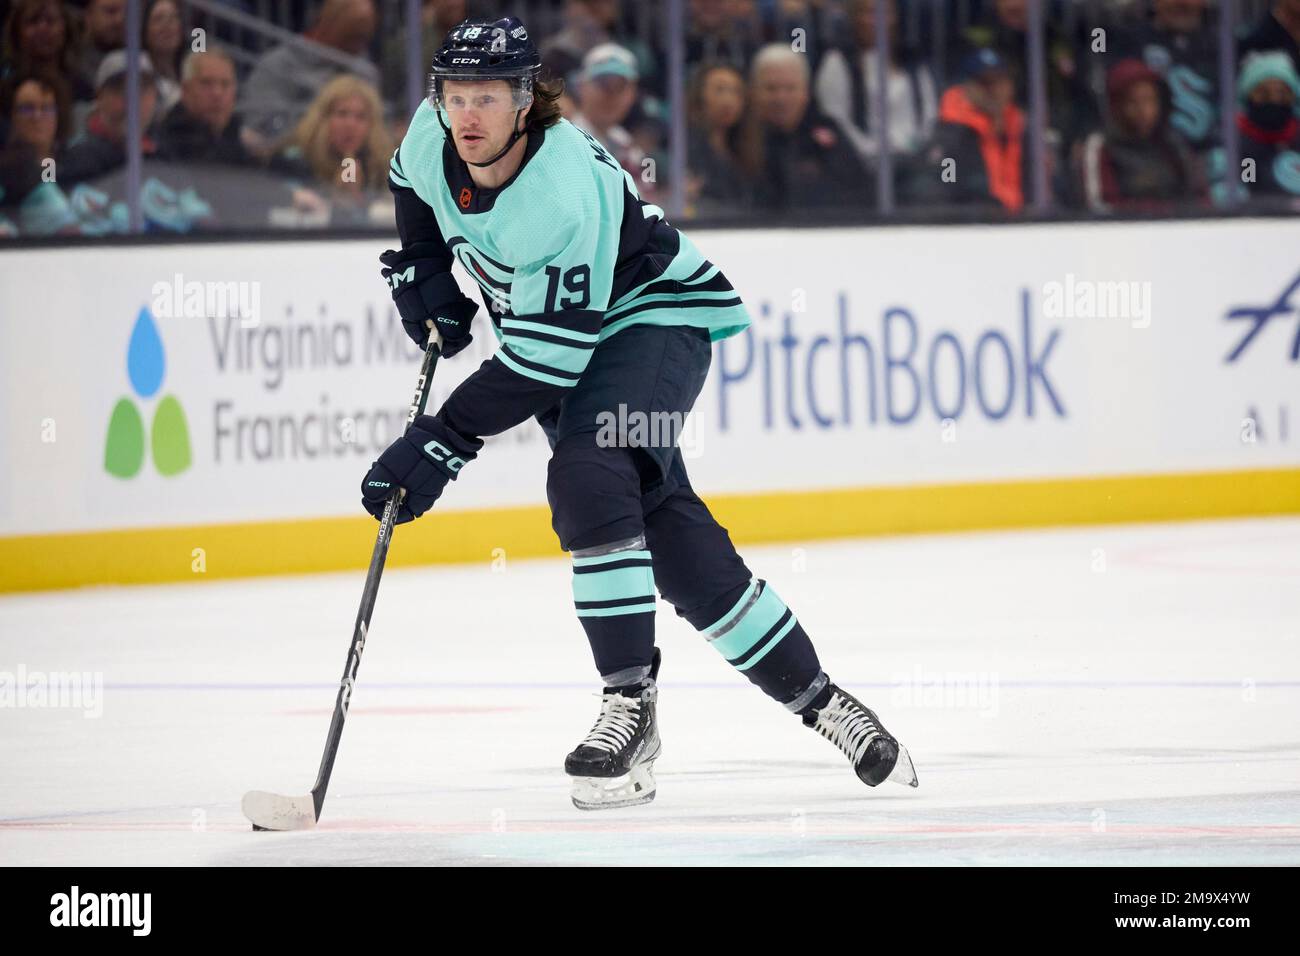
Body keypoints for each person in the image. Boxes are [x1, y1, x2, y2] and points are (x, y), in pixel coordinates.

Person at [365, 16, 918, 810]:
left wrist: (442, 440)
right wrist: (424, 265)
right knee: (665, 533)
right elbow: (410, 184)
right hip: (561, 336)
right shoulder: (434, 132)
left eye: (488, 96)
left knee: (592, 468)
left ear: (527, 102)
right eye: (456, 96)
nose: (468, 115)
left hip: (656, 319)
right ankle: (823, 701)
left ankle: (630, 707)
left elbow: (547, 363)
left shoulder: (560, 190)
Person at [1076, 58, 1203, 213]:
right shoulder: (1100, 146)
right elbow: (1099, 207)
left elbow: (1200, 198)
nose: (1144, 111)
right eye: (1133, 102)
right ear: (1116, 105)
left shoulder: (1173, 144)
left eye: (1150, 100)